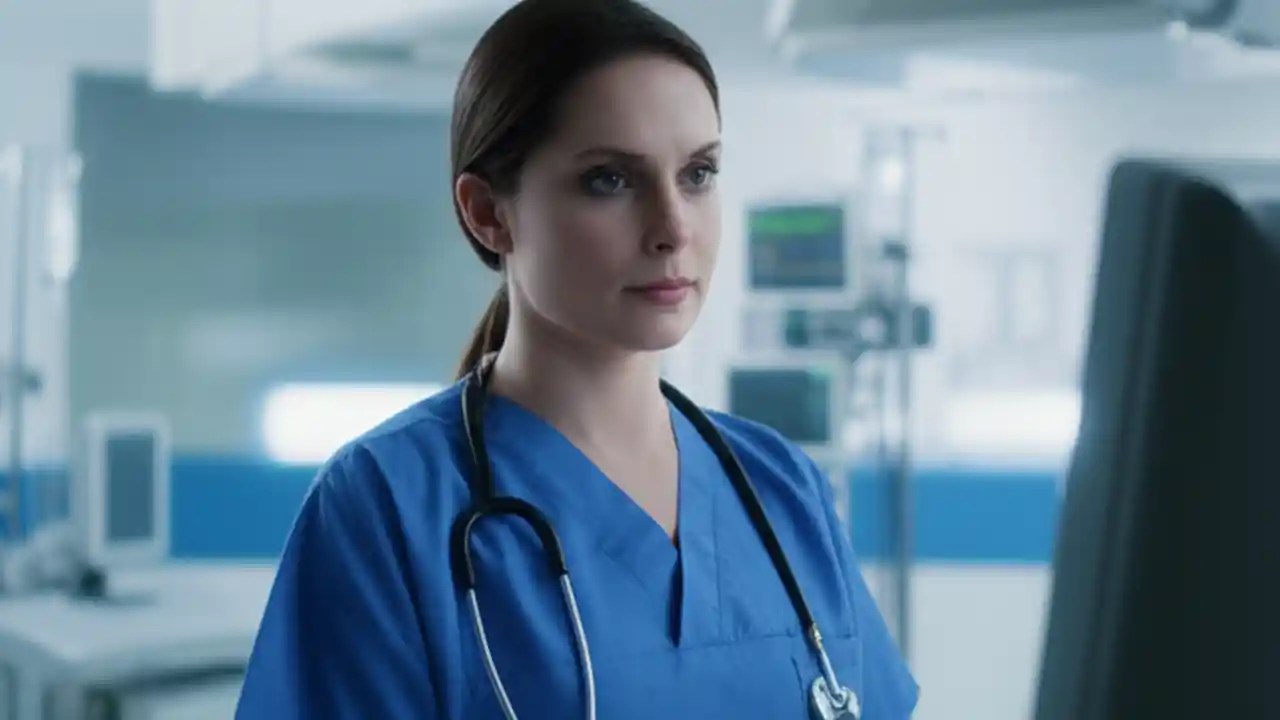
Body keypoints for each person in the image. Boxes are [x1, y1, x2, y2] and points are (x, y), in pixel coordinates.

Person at [235, 0, 918, 717]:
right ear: (488, 212)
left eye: (698, 174)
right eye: (610, 181)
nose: (672, 228)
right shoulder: (387, 506)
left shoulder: (782, 491)